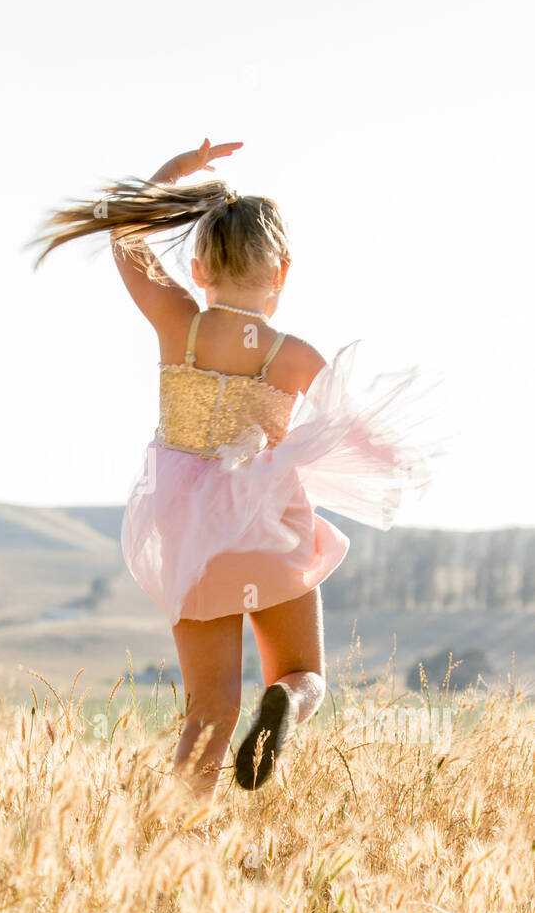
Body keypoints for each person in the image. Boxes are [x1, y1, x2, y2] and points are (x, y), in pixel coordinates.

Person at [30, 138, 438, 798]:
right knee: (304, 672)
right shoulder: (292, 354)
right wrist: (400, 461)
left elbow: (125, 233)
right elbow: (354, 427)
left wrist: (179, 171)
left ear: (197, 267)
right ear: (281, 272)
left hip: (190, 536)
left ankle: (178, 833)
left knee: (209, 709)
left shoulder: (177, 324)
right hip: (267, 530)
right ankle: (283, 706)